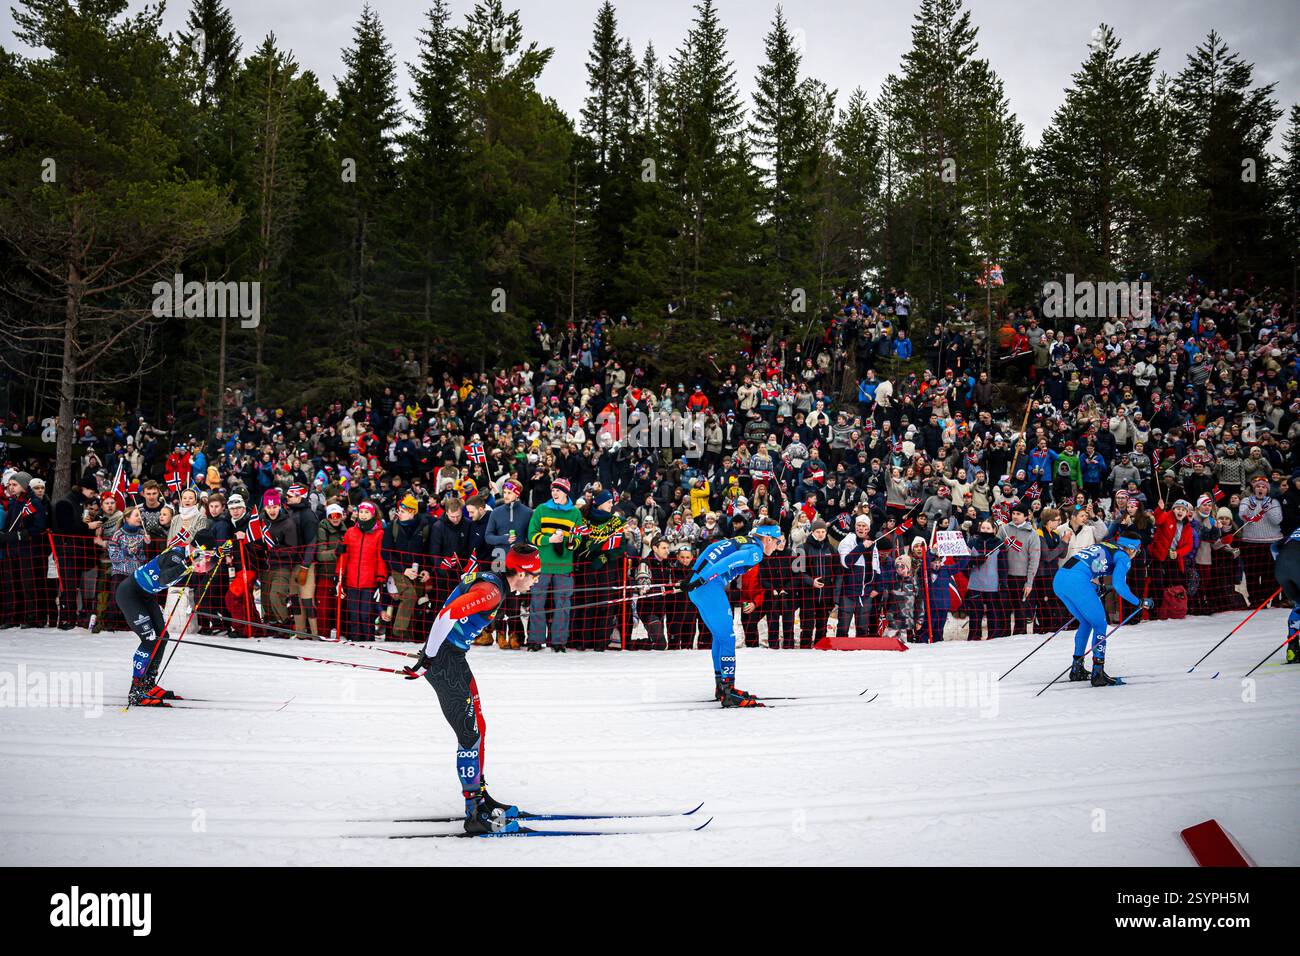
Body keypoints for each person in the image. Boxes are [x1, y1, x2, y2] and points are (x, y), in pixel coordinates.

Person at [407, 543, 542, 834]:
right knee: (469, 735)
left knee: (479, 726)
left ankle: (481, 799)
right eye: (534, 575)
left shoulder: (495, 584)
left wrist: (431, 654)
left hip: (454, 658)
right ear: (519, 572)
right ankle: (474, 814)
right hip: (446, 662)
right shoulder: (491, 591)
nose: (536, 581)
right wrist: (429, 656)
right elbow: (447, 615)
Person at [117, 533, 228, 706]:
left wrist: (219, 555)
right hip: (130, 594)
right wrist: (188, 562)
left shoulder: (191, 556)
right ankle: (136, 690)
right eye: (204, 554)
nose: (204, 560)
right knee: (149, 640)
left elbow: (204, 568)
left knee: (162, 637)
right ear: (194, 548)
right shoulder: (175, 555)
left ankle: (148, 683)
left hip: (146, 596)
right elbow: (164, 578)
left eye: (207, 556)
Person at [682, 522, 783, 707]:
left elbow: (713, 548)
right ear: (768, 539)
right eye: (777, 542)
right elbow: (726, 562)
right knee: (728, 638)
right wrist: (701, 579)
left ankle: (721, 685)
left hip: (701, 586)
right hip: (708, 587)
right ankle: (729, 691)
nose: (777, 547)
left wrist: (694, 574)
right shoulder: (756, 551)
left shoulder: (743, 540)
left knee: (720, 637)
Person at [1051, 535, 1154, 687]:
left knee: (1086, 622)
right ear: (1132, 549)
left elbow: (1085, 566)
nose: (1135, 555)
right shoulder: (1123, 557)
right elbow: (1119, 586)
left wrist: (1096, 588)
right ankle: (1098, 673)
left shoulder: (1107, 545)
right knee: (1100, 624)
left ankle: (1077, 668)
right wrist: (1138, 602)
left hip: (1060, 580)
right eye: (1136, 552)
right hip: (1077, 582)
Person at [1271, 527, 1300, 665]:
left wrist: (1285, 569)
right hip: (1296, 565)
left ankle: (1293, 649)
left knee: (1298, 606)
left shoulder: (1296, 530)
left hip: (1281, 568)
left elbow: (1274, 547)